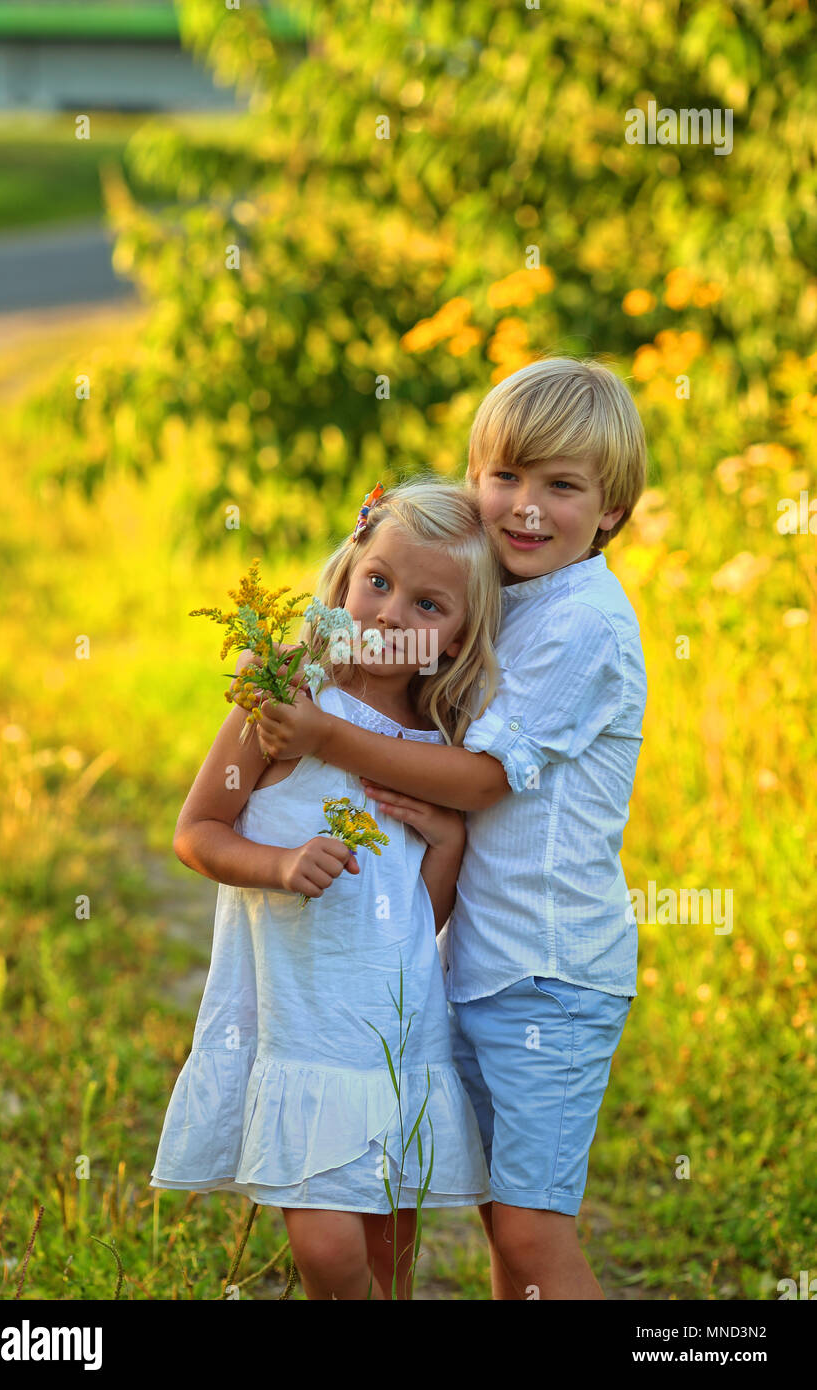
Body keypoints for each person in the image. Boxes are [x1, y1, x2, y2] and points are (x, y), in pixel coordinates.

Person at [247, 357, 648, 1300]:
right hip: (478, 960)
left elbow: (475, 778)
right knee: (501, 1223)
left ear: (614, 509)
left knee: (531, 1229)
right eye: (505, 477)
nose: (525, 508)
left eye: (562, 487)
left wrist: (325, 732)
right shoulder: (504, 593)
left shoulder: (585, 622)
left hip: (549, 971)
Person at [150, 478, 503, 1300]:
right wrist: (276, 866)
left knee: (391, 1254)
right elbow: (195, 832)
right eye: (378, 582)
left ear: (455, 640)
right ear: (346, 576)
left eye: (427, 605)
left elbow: (421, 920)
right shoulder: (283, 700)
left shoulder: (433, 744)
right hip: (300, 1026)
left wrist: (447, 842)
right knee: (328, 1252)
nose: (388, 615)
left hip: (392, 1033)